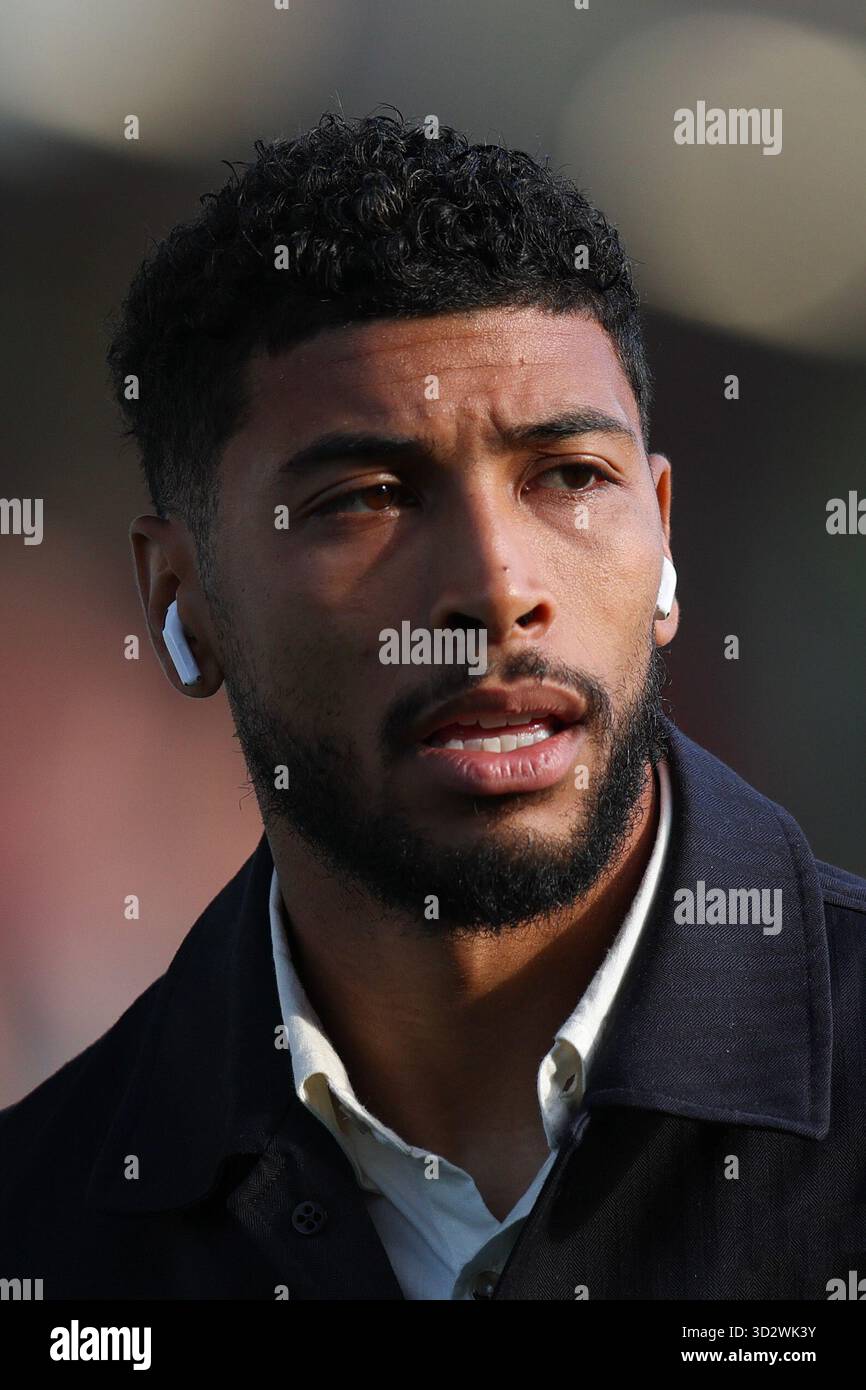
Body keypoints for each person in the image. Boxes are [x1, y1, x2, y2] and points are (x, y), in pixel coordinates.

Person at [1, 110, 864, 1301]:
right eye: (367, 497)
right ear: (181, 593)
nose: (498, 589)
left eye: (570, 477)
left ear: (661, 537)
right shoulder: (45, 1228)